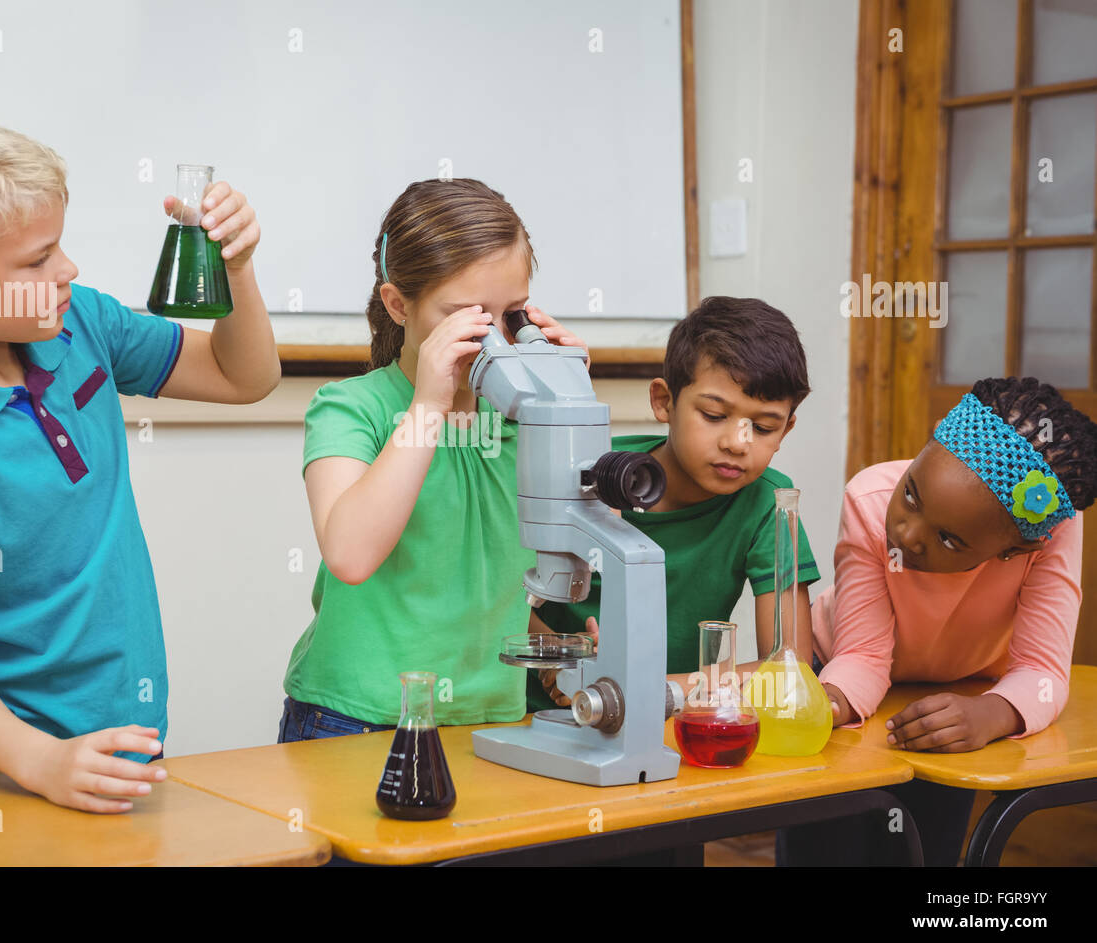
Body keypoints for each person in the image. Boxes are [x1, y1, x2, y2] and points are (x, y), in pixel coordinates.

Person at [0, 98, 280, 812]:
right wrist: (42, 763)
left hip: (124, 741)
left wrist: (239, 270)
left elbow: (245, 377)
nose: (68, 267)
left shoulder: (79, 322)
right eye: (39, 257)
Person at [278, 178, 589, 741]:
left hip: (493, 714)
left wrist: (569, 406)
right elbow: (350, 554)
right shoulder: (353, 408)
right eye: (467, 318)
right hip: (358, 717)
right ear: (398, 304)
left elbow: (588, 542)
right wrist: (428, 405)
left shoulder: (527, 419)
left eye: (511, 315)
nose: (494, 338)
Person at [779, 376, 1095, 865]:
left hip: (958, 698)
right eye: (911, 495)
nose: (905, 534)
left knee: (923, 848)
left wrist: (990, 714)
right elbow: (862, 656)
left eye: (949, 540)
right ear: (927, 446)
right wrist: (823, 706)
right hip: (841, 675)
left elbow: (1043, 672)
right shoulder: (868, 500)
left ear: (1015, 550)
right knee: (824, 844)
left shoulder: (1051, 533)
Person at [532, 296, 820, 709]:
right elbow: (493, 593)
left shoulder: (769, 504)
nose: (736, 444)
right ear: (664, 401)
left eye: (761, 427)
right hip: (536, 714)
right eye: (714, 415)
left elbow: (789, 667)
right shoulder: (582, 472)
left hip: (669, 724)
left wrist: (646, 692)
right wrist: (556, 654)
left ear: (786, 428)